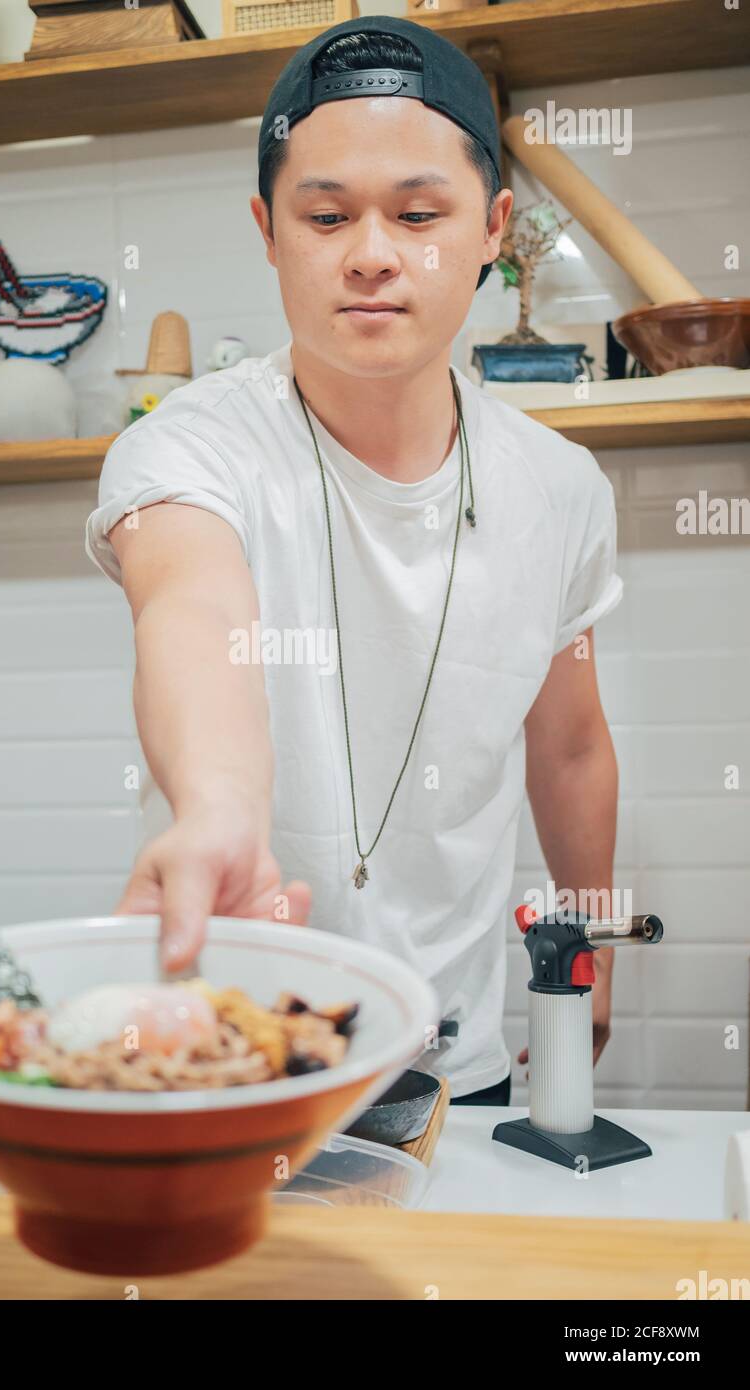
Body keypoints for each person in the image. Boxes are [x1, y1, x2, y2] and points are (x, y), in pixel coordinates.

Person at [84, 16, 623, 1106]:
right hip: (235, 1048)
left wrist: (593, 934)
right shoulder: (184, 447)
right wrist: (221, 813)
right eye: (326, 215)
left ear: (492, 229)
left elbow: (568, 748)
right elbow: (192, 613)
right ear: (269, 231)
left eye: (419, 214)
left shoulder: (561, 489)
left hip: (450, 1061)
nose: (373, 251)